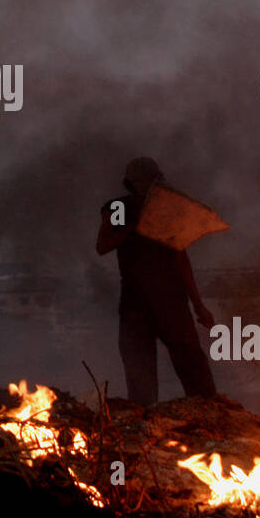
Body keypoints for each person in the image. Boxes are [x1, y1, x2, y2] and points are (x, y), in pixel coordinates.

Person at [97, 157, 217, 405]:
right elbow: (104, 244)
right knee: (140, 373)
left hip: (171, 301)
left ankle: (208, 412)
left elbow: (181, 259)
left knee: (193, 366)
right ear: (131, 184)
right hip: (136, 304)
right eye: (144, 182)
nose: (149, 187)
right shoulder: (120, 208)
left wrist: (198, 305)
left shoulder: (167, 210)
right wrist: (134, 227)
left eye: (152, 181)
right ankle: (144, 421)